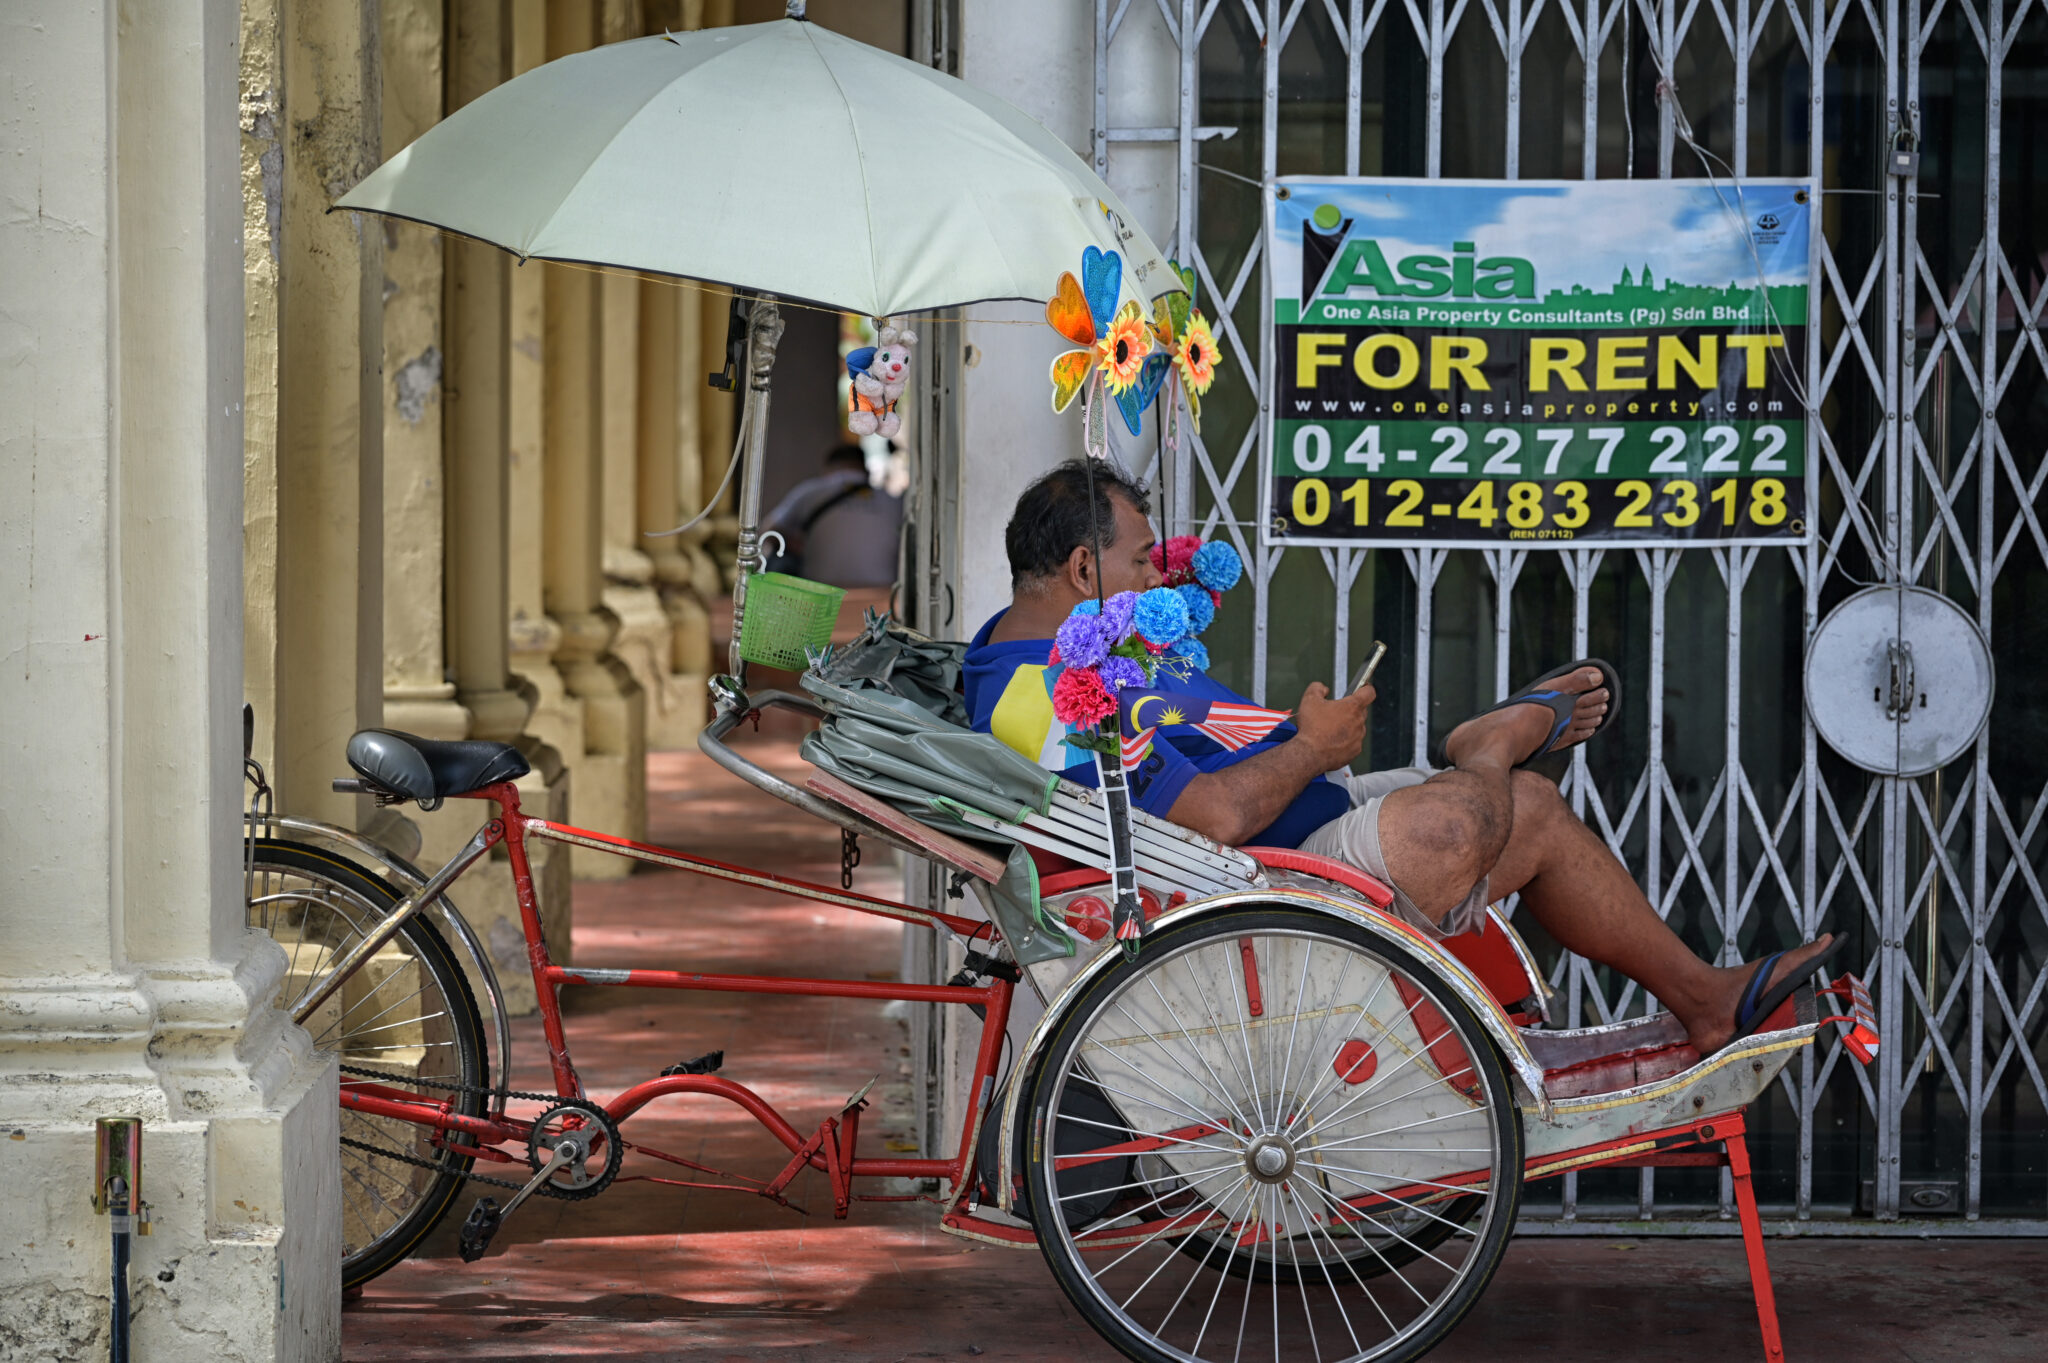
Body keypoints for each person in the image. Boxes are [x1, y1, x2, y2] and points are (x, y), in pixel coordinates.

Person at [965, 460, 1838, 1055]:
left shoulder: (1066, 651)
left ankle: (1703, 999)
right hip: (1246, 887)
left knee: (1528, 808)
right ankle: (1484, 748)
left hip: (1283, 838)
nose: (1157, 580)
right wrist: (1311, 747)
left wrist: (1308, 752)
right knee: (1463, 817)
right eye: (1139, 561)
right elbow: (1216, 819)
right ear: (1084, 566)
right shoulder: (1043, 695)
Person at [762, 443, 903, 587]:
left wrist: (798, 546)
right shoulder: (893, 502)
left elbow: (768, 531)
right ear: (864, 468)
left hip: (821, 596)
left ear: (828, 467)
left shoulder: (810, 492)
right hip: (882, 599)